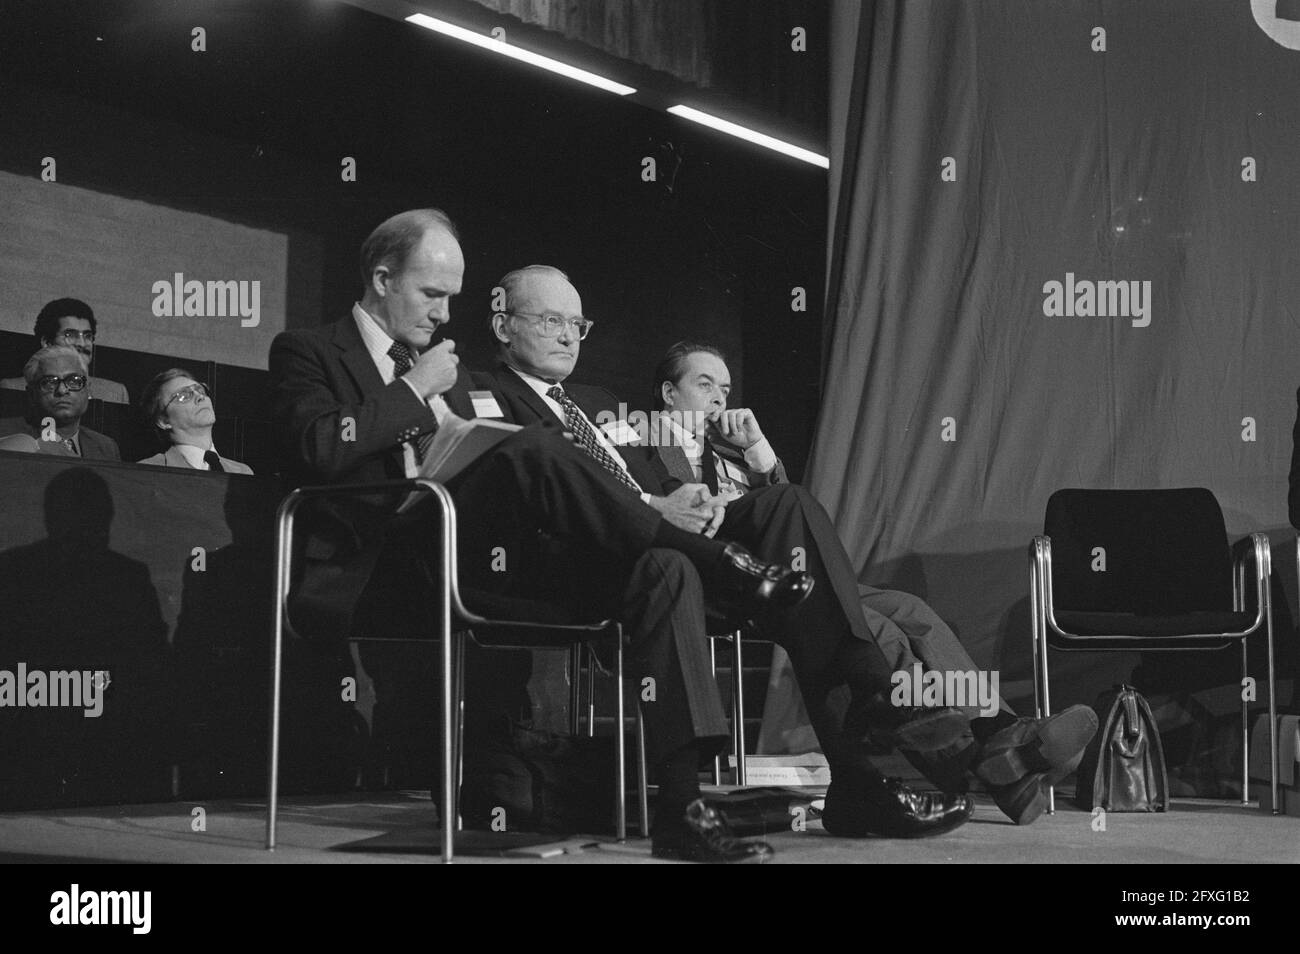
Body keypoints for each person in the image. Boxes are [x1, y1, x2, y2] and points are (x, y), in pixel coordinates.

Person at [268, 211, 819, 862]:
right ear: (382, 278)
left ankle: (682, 807)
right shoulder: (309, 351)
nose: (446, 314)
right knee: (534, 446)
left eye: (453, 297)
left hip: (475, 556)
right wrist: (418, 391)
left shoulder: (450, 370)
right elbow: (318, 448)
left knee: (662, 572)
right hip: (384, 562)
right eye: (432, 294)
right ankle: (727, 566)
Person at [478, 264, 981, 859]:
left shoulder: (602, 403)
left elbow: (659, 477)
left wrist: (695, 503)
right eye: (551, 320)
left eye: (578, 324)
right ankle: (854, 727)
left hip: (674, 542)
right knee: (681, 569)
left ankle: (859, 770)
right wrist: (656, 506)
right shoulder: (483, 392)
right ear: (503, 325)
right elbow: (521, 496)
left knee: (785, 504)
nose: (568, 336)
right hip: (576, 564)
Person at [648, 340, 1098, 825]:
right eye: (704, 384)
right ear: (669, 394)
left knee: (907, 610)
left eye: (726, 388)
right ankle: (992, 753)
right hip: (718, 580)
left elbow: (783, 514)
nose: (719, 398)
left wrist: (757, 450)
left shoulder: (729, 454)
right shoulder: (643, 440)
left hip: (791, 579)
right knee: (874, 630)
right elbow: (686, 512)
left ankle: (999, 737)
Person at [0, 345, 120, 460]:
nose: (62, 390)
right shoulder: (5, 432)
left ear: (88, 390)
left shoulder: (106, 447)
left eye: (74, 381)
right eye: (50, 382)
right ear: (32, 394)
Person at [0, 298, 130, 404]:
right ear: (47, 343)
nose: (82, 343)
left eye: (87, 336)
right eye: (70, 335)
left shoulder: (115, 394)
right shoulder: (14, 388)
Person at [135, 368, 253, 473]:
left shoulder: (242, 472)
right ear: (163, 421)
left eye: (200, 390)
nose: (200, 397)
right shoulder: (148, 471)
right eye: (184, 395)